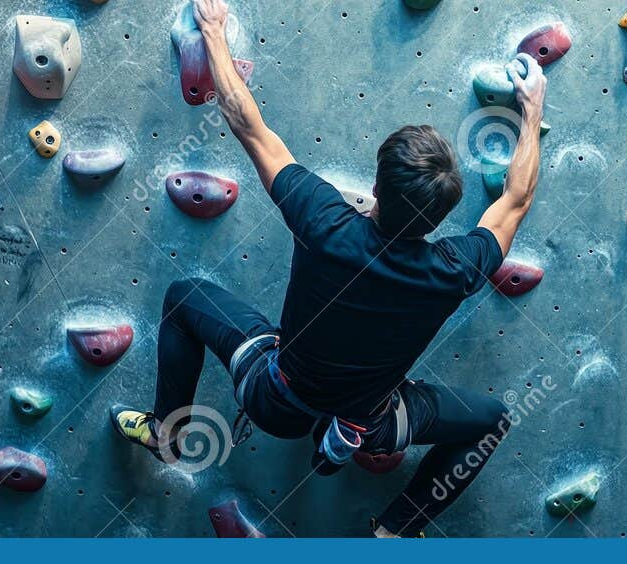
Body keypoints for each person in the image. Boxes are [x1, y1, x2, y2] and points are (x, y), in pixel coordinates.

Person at [110, 0, 548, 537]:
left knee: (182, 297)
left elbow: (247, 122)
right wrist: (531, 109)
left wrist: (213, 30)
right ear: (441, 218)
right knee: (491, 419)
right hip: (373, 422)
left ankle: (166, 433)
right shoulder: (454, 268)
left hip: (278, 399)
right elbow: (516, 199)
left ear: (377, 189)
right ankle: (393, 529)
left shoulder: (324, 220)